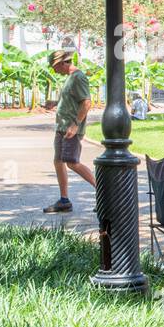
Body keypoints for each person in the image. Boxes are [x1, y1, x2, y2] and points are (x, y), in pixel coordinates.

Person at [42, 50, 96, 213]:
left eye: (54, 66)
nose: (54, 70)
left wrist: (75, 125)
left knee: (72, 162)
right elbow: (71, 99)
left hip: (70, 129)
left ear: (62, 63)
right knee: (58, 161)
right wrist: (55, 102)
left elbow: (86, 103)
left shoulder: (78, 77)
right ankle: (64, 200)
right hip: (62, 128)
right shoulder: (69, 79)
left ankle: (105, 193)